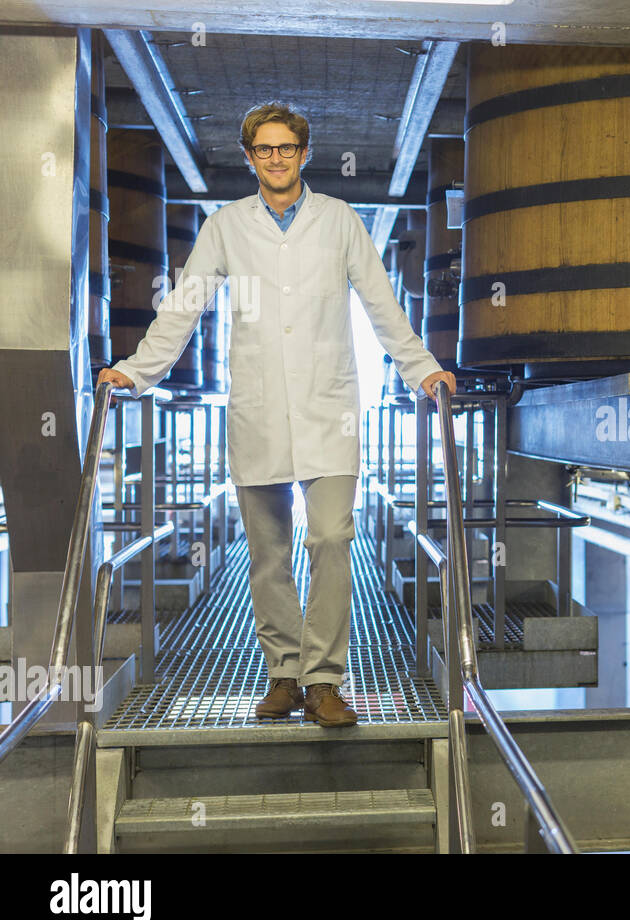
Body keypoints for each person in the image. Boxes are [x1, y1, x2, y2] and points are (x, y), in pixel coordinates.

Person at [98, 101, 456, 727]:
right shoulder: (226, 227)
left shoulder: (340, 221)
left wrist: (421, 369)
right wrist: (137, 369)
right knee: (268, 555)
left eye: (286, 148)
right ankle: (284, 676)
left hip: (330, 414)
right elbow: (183, 308)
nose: (276, 159)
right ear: (250, 158)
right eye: (264, 150)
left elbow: (382, 304)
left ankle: (324, 681)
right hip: (259, 414)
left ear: (304, 153)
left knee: (331, 538)